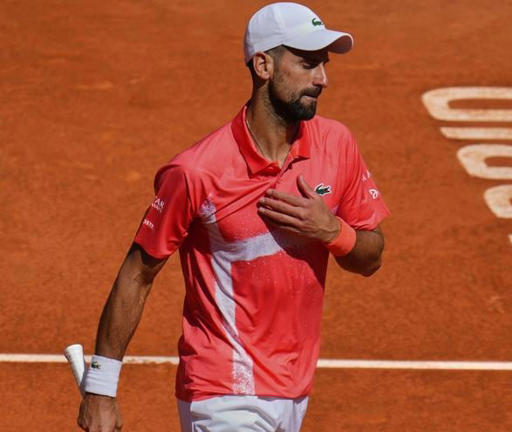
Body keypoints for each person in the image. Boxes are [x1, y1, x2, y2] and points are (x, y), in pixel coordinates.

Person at [76, 3, 389, 431]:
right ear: (263, 64)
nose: (322, 79)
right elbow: (137, 273)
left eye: (323, 65)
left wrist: (332, 230)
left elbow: (371, 257)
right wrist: (100, 388)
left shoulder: (336, 144)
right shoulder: (197, 172)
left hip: (295, 387)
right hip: (224, 386)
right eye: (307, 63)